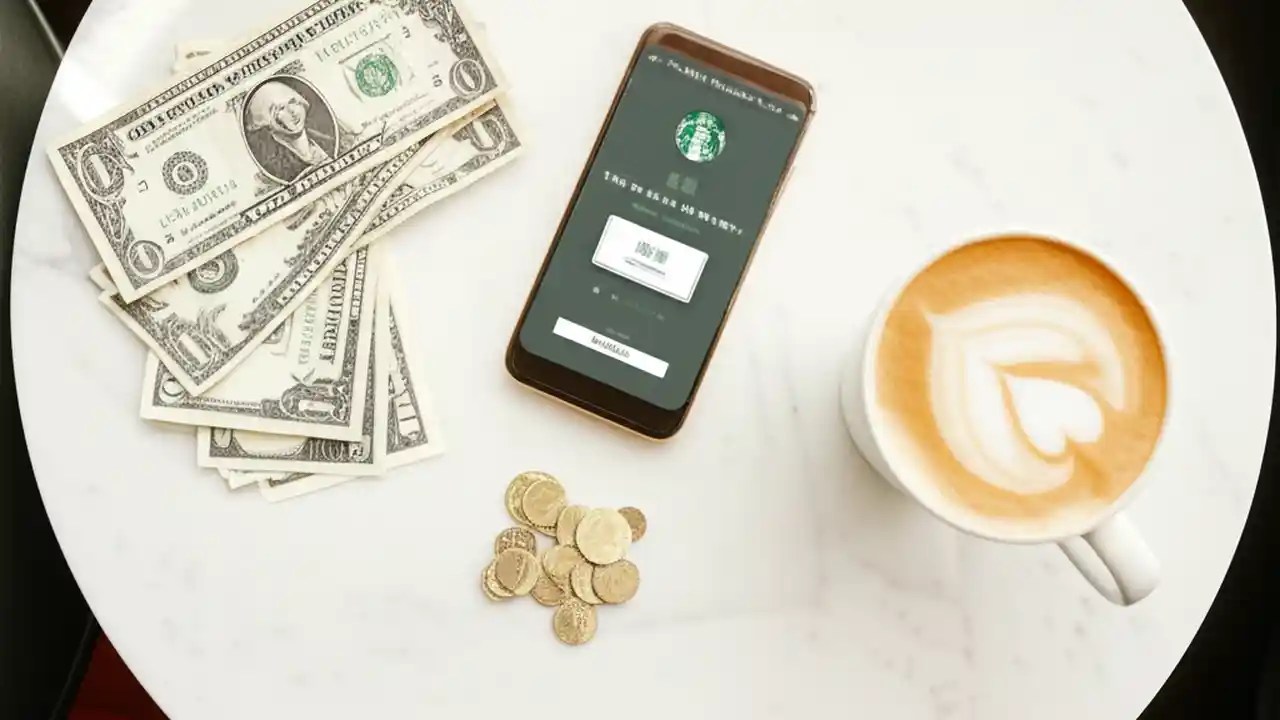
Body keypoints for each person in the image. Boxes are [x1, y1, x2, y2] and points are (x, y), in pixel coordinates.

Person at [243, 80, 335, 182]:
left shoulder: (328, 140)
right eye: (281, 108)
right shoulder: (276, 166)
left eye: (293, 102)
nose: (292, 111)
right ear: (266, 123)